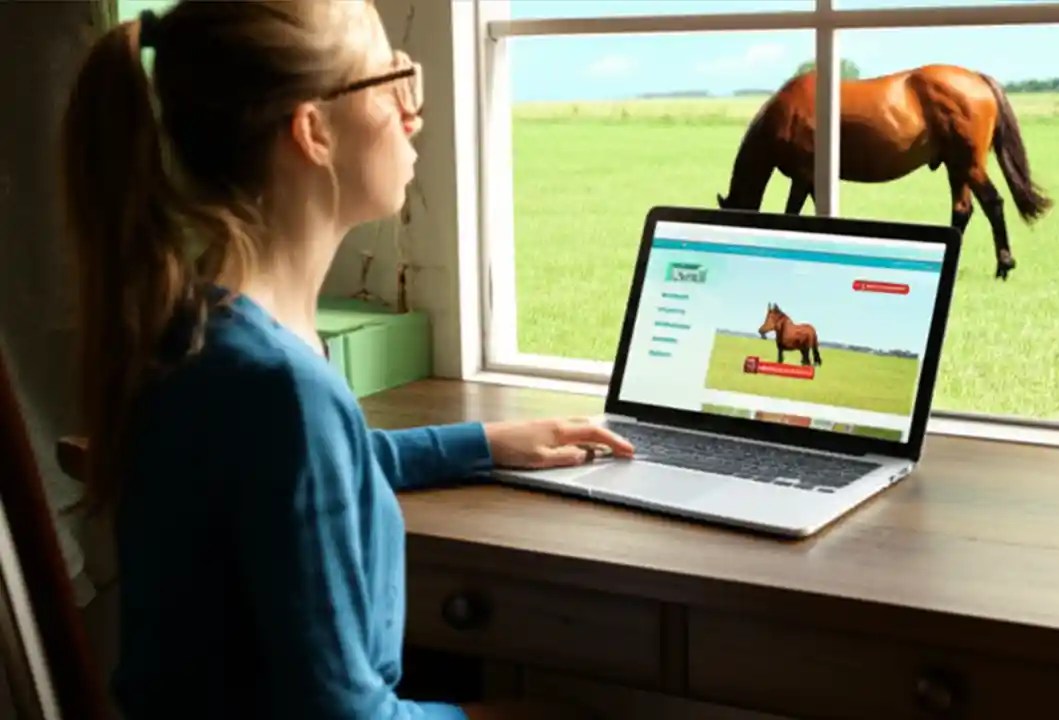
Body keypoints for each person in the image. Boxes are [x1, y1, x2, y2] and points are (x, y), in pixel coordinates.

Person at [57, 2, 634, 718]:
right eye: (394, 83)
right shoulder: (280, 389)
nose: (413, 114)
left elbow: (319, 473)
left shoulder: (200, 331)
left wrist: (485, 442)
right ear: (313, 130)